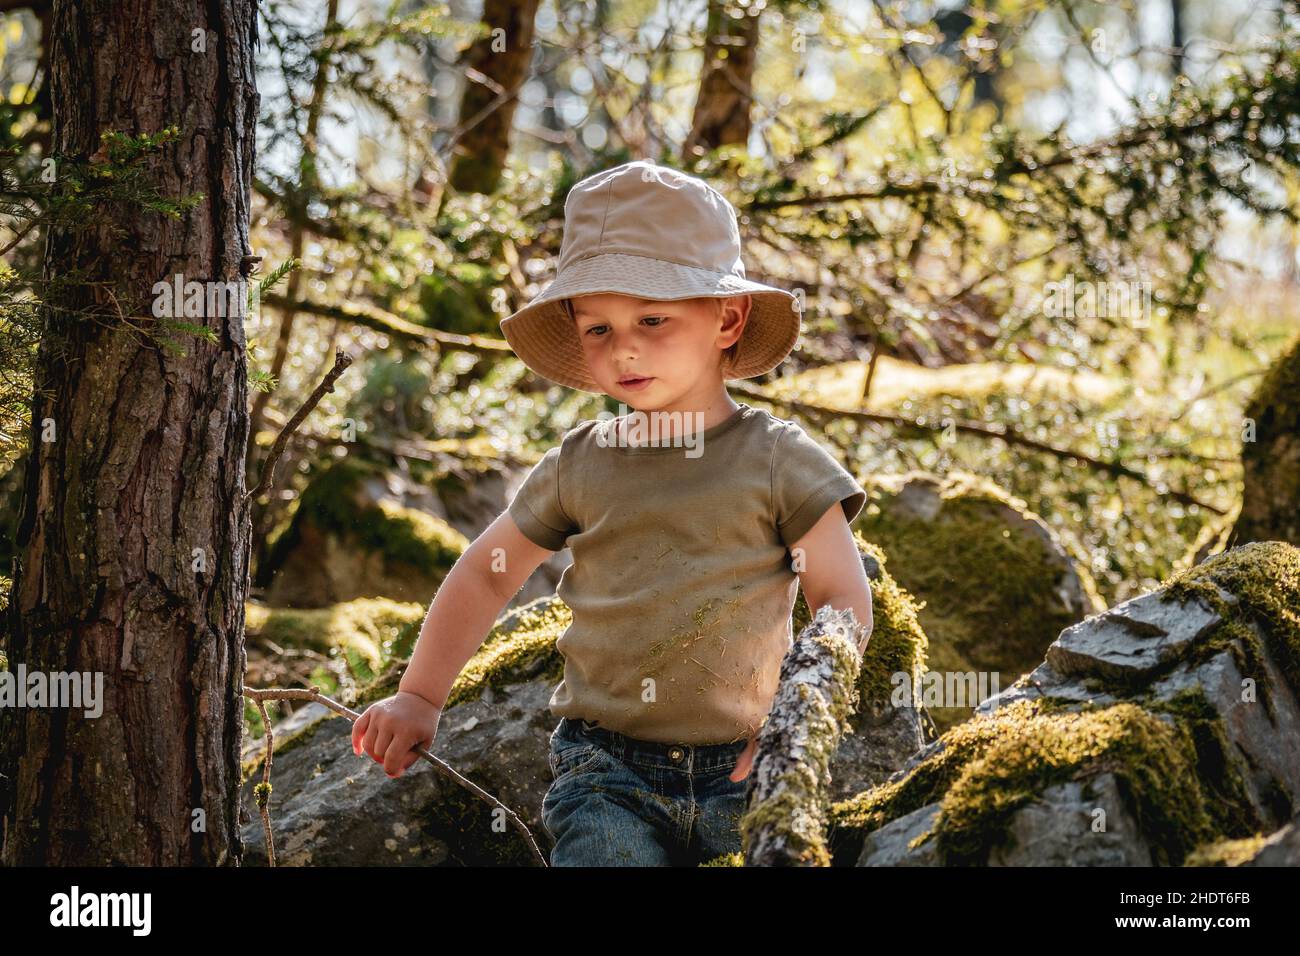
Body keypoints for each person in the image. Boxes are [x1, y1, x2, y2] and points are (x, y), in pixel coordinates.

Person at [352, 159, 873, 866]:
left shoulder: (776, 458)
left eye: (652, 318)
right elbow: (486, 573)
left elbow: (841, 598)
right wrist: (419, 696)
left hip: (748, 769)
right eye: (597, 328)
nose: (623, 346)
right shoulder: (580, 464)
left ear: (728, 317)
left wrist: (793, 724)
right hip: (606, 772)